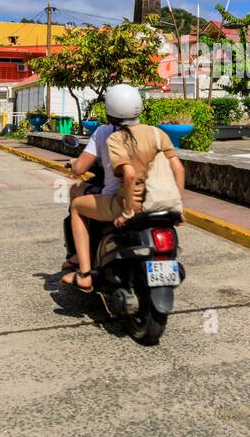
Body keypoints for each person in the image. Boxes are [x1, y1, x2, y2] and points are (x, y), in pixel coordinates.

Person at [61, 85, 185, 293]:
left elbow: (127, 174)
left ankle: (84, 274)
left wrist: (128, 211)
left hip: (124, 204)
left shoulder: (114, 137)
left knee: (76, 206)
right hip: (158, 203)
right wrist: (178, 208)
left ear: (110, 112)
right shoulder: (156, 133)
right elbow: (179, 169)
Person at [60, 117, 115, 273]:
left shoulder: (105, 131)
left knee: (76, 198)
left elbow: (79, 169)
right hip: (145, 196)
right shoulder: (149, 132)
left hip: (116, 197)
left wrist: (75, 162)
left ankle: (83, 263)